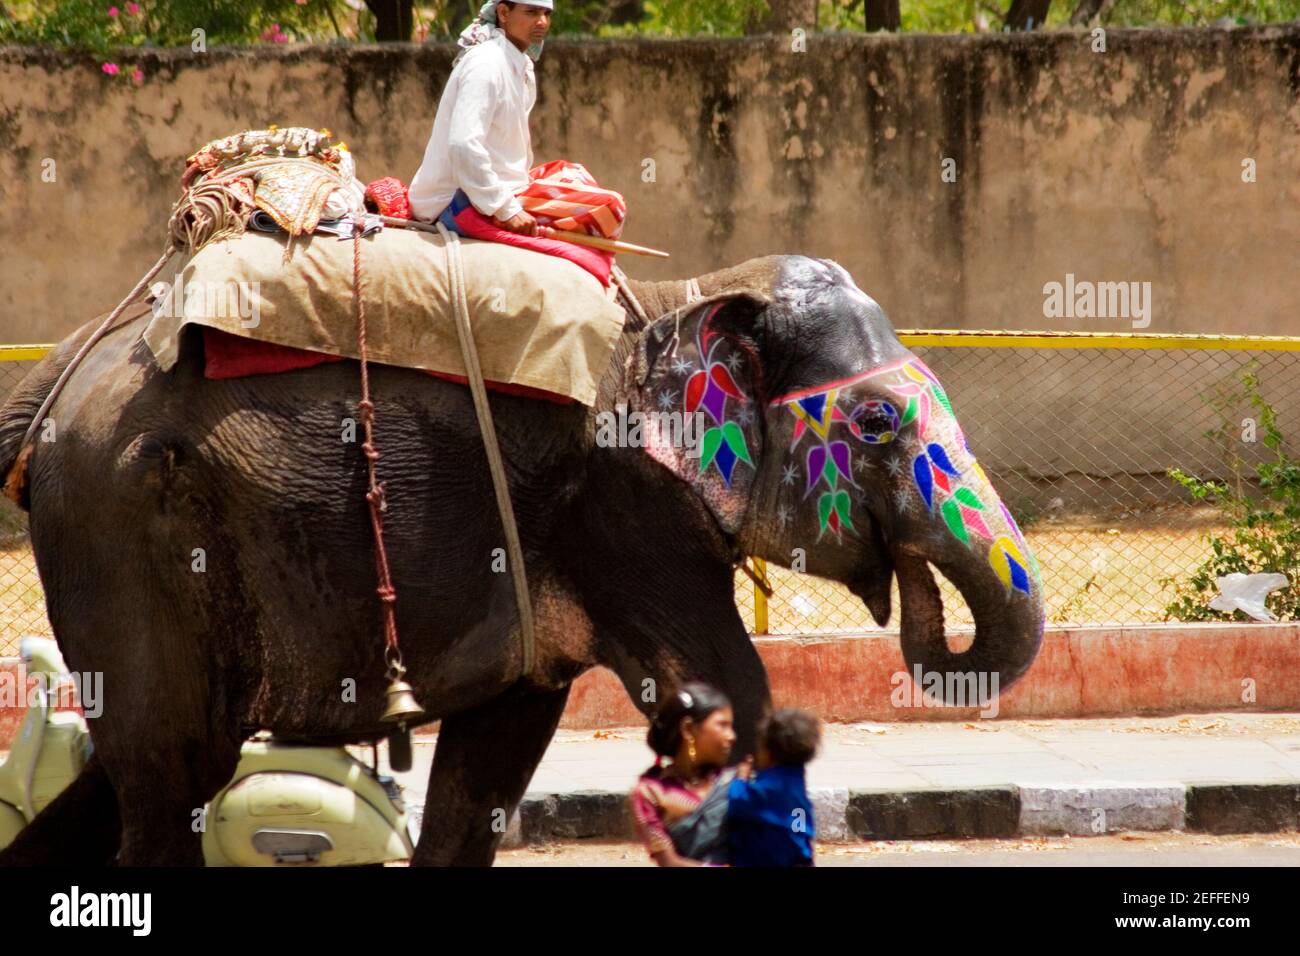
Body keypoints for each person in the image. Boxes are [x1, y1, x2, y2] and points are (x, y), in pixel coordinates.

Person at [408, 0, 553, 235]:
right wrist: (507, 209)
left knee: (584, 187)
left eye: (547, 14)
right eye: (532, 12)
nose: (542, 22)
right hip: (455, 202)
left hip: (494, 195)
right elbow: (463, 146)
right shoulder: (486, 63)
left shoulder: (519, 64)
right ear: (504, 13)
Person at [629, 682, 738, 867]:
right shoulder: (652, 793)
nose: (731, 736)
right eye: (722, 725)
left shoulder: (734, 782)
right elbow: (669, 862)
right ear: (688, 729)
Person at [725, 708, 820, 867]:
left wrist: (740, 779)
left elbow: (736, 800)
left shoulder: (767, 789)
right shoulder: (796, 779)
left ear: (769, 752)